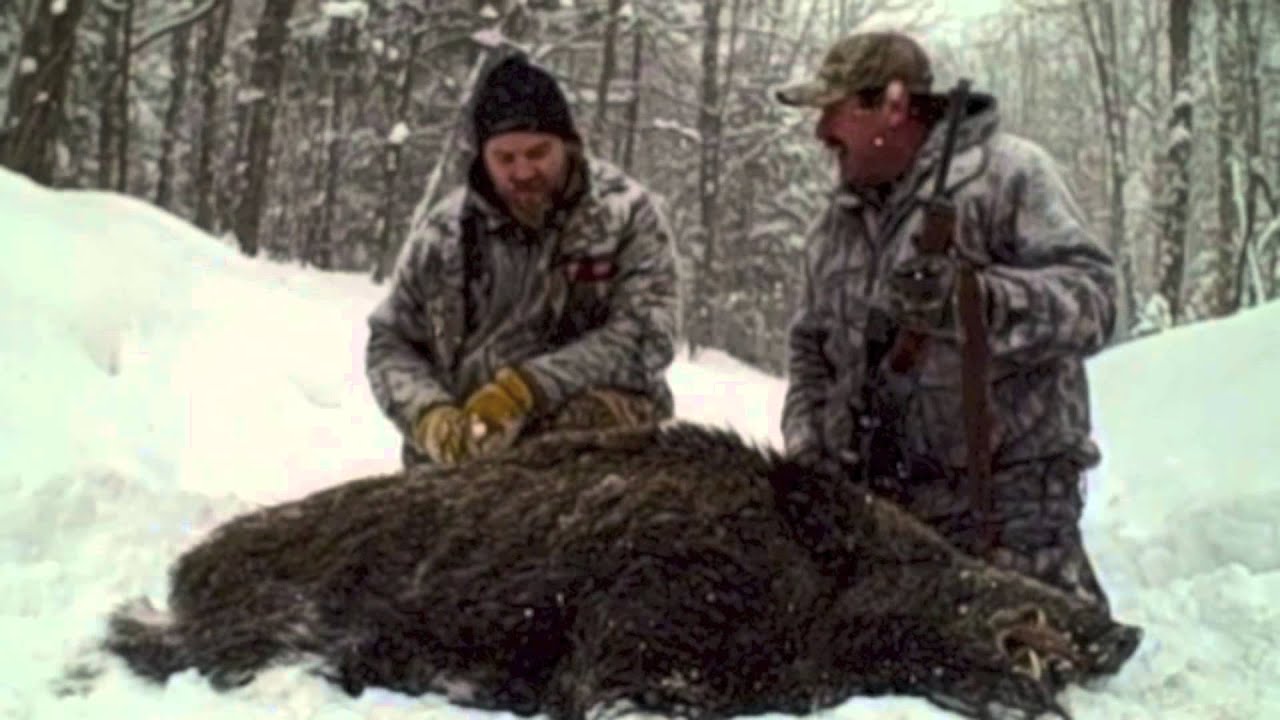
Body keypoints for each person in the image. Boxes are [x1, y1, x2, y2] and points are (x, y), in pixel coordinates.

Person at [774, 31, 1118, 609]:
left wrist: (979, 303)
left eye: (832, 112)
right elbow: (810, 349)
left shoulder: (1009, 175)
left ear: (893, 105)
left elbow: (1096, 300)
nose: (820, 133)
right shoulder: (836, 223)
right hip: (880, 509)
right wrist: (810, 455)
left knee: (1016, 654)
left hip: (1006, 504)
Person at [366, 52, 680, 469]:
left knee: (583, 433)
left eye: (537, 153)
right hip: (471, 439)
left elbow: (646, 337)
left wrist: (525, 390)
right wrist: (429, 417)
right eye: (506, 158)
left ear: (568, 145)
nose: (523, 171)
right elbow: (392, 341)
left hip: (593, 434)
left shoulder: (626, 214)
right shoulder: (444, 232)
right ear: (483, 158)